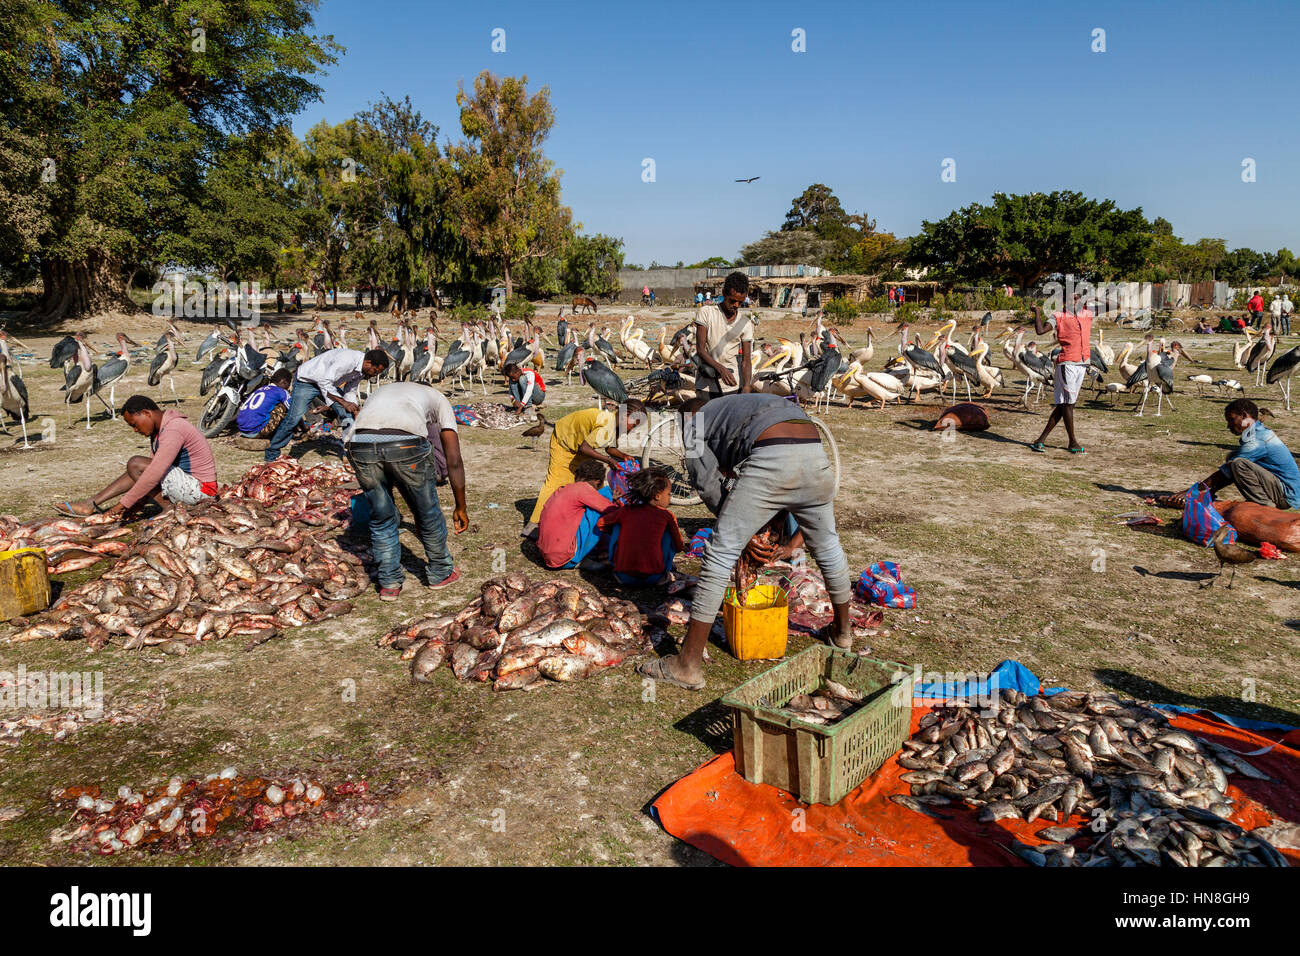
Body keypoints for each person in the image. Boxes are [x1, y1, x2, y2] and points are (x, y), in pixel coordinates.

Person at [637, 394, 853, 691]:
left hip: (773, 455)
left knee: (720, 553)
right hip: (814, 453)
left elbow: (708, 484)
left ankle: (687, 664)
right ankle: (842, 634)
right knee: (827, 546)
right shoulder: (737, 405)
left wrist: (741, 535)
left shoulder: (693, 422)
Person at [345, 381, 468, 600]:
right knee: (427, 511)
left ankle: (389, 583)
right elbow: (454, 459)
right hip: (406, 444)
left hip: (359, 443)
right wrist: (461, 506)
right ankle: (440, 571)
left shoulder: (384, 391)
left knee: (381, 517)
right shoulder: (438, 398)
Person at [56, 396, 217, 518]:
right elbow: (148, 475)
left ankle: (169, 511)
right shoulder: (159, 430)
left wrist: (122, 505)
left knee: (136, 465)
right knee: (139, 468)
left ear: (146, 413)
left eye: (134, 424)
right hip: (185, 485)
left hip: (202, 491)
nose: (135, 430)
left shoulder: (174, 429)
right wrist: (137, 504)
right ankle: (91, 503)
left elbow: (153, 473)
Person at [522, 400, 644, 536]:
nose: (630, 430)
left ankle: (589, 522)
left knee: (591, 483)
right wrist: (608, 460)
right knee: (556, 481)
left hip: (581, 446)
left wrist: (623, 455)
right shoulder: (607, 424)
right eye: (632, 426)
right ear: (625, 416)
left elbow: (610, 448)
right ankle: (533, 525)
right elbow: (585, 448)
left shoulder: (615, 424)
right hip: (564, 441)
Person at [1168, 399, 1300, 512]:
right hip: (1283, 489)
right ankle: (1260, 503)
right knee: (1234, 457)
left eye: (1231, 420)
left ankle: (1266, 507)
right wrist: (1210, 490)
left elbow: (1228, 471)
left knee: (1237, 463)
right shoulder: (1256, 432)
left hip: (1285, 494)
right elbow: (1228, 471)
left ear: (1244, 416)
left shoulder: (1257, 440)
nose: (1228, 425)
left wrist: (1192, 491)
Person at [264, 347, 390, 463]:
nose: (375, 375)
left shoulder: (362, 370)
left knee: (347, 414)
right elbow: (324, 382)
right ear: (368, 363)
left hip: (329, 384)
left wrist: (354, 407)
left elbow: (350, 390)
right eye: (375, 371)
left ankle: (350, 452)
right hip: (307, 382)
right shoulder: (347, 360)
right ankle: (272, 454)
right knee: (294, 417)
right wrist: (343, 402)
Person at [598, 467, 686, 586]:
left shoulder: (625, 511)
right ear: (657, 496)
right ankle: (664, 572)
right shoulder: (666, 515)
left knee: (618, 525)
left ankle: (619, 565)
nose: (670, 497)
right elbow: (679, 546)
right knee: (667, 532)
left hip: (624, 577)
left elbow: (601, 524)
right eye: (669, 494)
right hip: (654, 577)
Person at [1028, 295, 1092, 454]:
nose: (1075, 301)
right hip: (1067, 363)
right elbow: (1040, 330)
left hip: (1083, 363)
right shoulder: (1058, 316)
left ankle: (1040, 441)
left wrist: (1096, 296)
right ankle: (1072, 442)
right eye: (1071, 299)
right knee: (1068, 404)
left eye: (1077, 298)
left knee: (1065, 404)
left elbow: (1116, 304)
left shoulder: (1087, 313)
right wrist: (1037, 312)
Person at [536, 459, 616, 570]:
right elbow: (611, 510)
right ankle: (606, 551)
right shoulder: (583, 489)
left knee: (595, 506)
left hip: (547, 555)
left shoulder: (564, 489)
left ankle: (595, 551)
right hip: (563, 558)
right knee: (605, 495)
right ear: (597, 482)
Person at [694, 271, 754, 398]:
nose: (736, 305)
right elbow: (700, 350)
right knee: (700, 417)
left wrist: (747, 385)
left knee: (730, 418)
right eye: (732, 301)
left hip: (731, 386)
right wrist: (720, 369)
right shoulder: (706, 313)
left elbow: (746, 360)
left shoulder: (745, 323)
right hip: (706, 384)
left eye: (740, 302)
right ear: (724, 294)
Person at [235, 368, 293, 442]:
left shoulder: (260, 389)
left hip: (242, 429)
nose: (288, 387)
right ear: (284, 382)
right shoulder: (281, 391)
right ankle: (277, 435)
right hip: (255, 431)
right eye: (289, 384)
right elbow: (293, 410)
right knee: (282, 407)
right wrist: (304, 426)